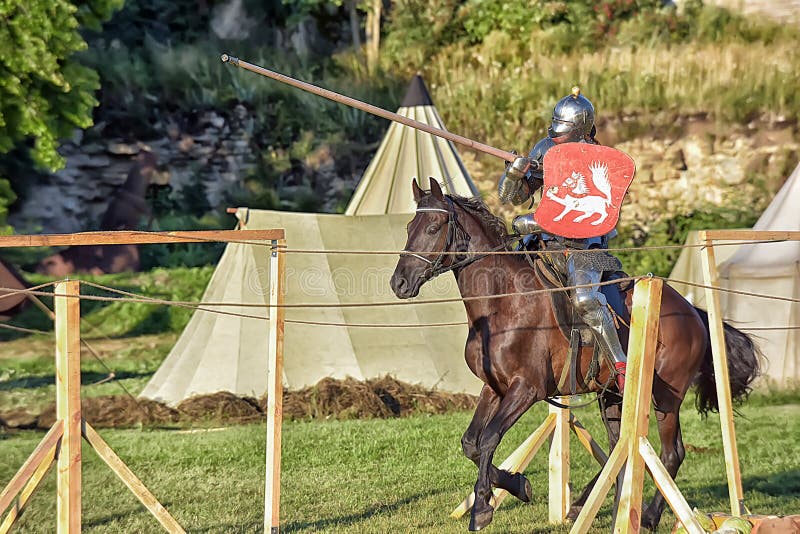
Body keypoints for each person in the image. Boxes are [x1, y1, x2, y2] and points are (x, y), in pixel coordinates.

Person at [497, 87, 628, 393]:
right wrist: (515, 175)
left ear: (580, 129)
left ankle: (620, 364)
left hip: (587, 244)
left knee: (584, 299)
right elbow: (511, 198)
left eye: (563, 129)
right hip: (545, 243)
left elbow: (591, 213)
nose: (555, 133)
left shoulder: (598, 161)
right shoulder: (545, 148)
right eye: (554, 126)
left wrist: (534, 222)